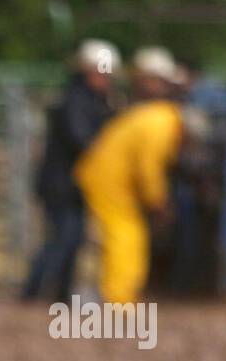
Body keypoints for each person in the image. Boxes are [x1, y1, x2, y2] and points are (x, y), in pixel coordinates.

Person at [74, 47, 188, 304]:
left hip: (107, 177)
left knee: (124, 234)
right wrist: (157, 201)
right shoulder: (163, 122)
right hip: (108, 181)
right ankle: (118, 298)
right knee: (124, 234)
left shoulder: (153, 114)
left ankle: (118, 295)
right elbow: (148, 168)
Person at [21, 39, 119, 303]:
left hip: (70, 184)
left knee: (69, 239)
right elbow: (81, 139)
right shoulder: (75, 101)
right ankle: (34, 291)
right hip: (61, 184)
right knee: (64, 237)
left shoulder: (89, 101)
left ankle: (57, 293)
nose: (107, 79)